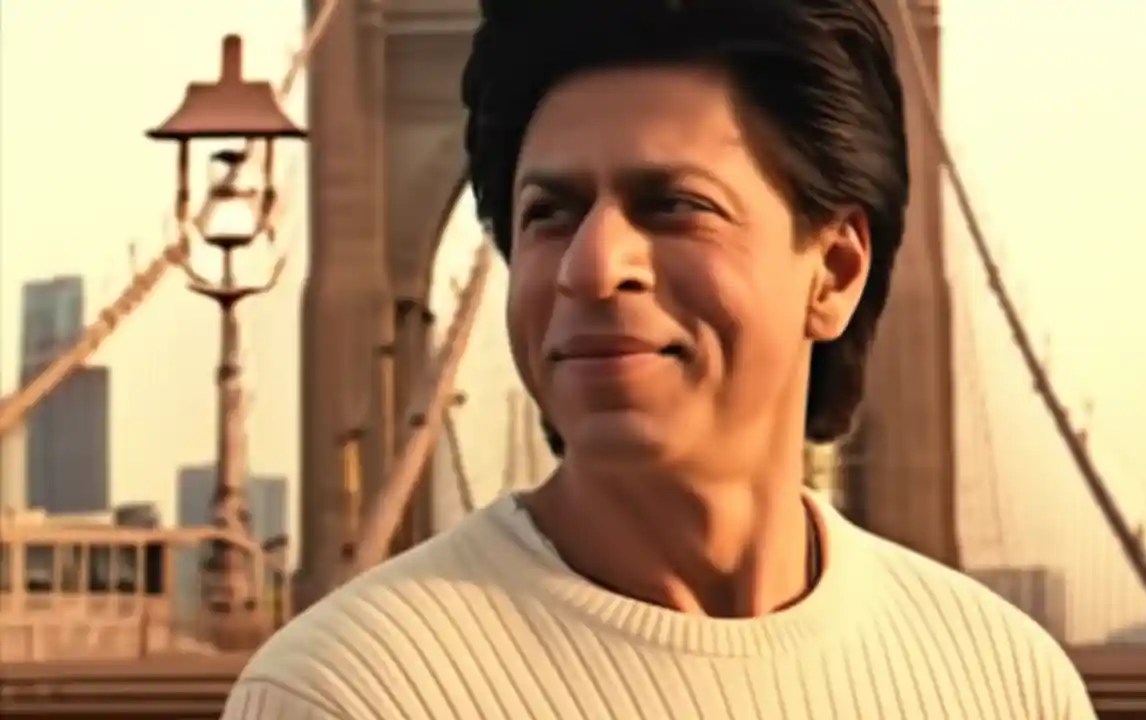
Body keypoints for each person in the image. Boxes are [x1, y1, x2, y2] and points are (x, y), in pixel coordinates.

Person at [222, 0, 1096, 717]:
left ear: (834, 271)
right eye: (549, 213)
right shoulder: (340, 694)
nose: (593, 267)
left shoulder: (1008, 684)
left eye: (674, 205)